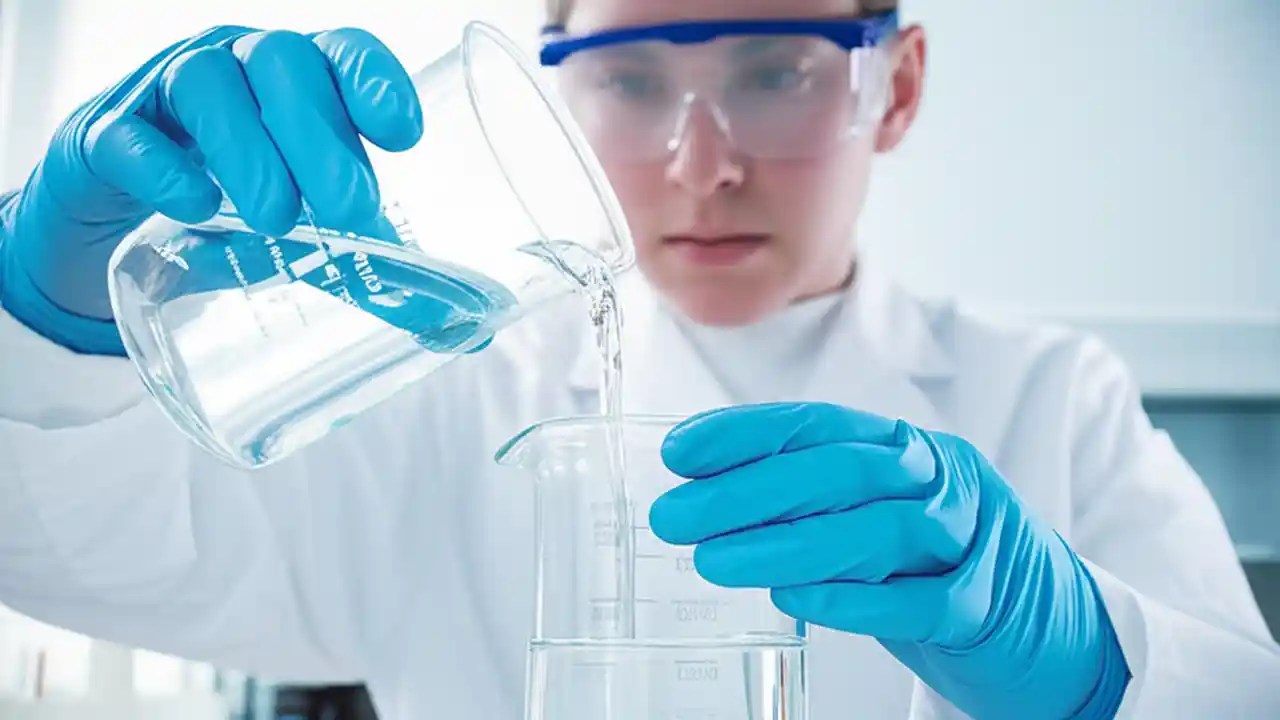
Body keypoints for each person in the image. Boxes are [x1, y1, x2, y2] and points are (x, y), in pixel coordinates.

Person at [0, 0, 1277, 717]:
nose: (700, 164)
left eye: (777, 71)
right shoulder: (442, 398)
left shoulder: (1050, 398)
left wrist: (1095, 668)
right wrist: (40, 317)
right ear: (557, 92)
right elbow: (60, 547)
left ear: (892, 89)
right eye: (628, 81)